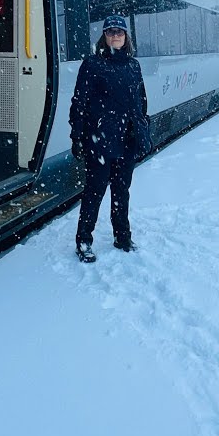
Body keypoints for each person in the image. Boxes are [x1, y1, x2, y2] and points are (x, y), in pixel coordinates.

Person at [69, 15, 151, 263]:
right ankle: (84, 241)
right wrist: (77, 136)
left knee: (121, 191)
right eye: (110, 32)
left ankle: (122, 236)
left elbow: (141, 100)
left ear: (126, 37)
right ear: (103, 36)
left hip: (127, 139)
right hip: (100, 139)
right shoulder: (92, 64)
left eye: (119, 32)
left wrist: (142, 128)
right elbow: (79, 103)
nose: (115, 36)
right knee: (94, 192)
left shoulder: (133, 66)